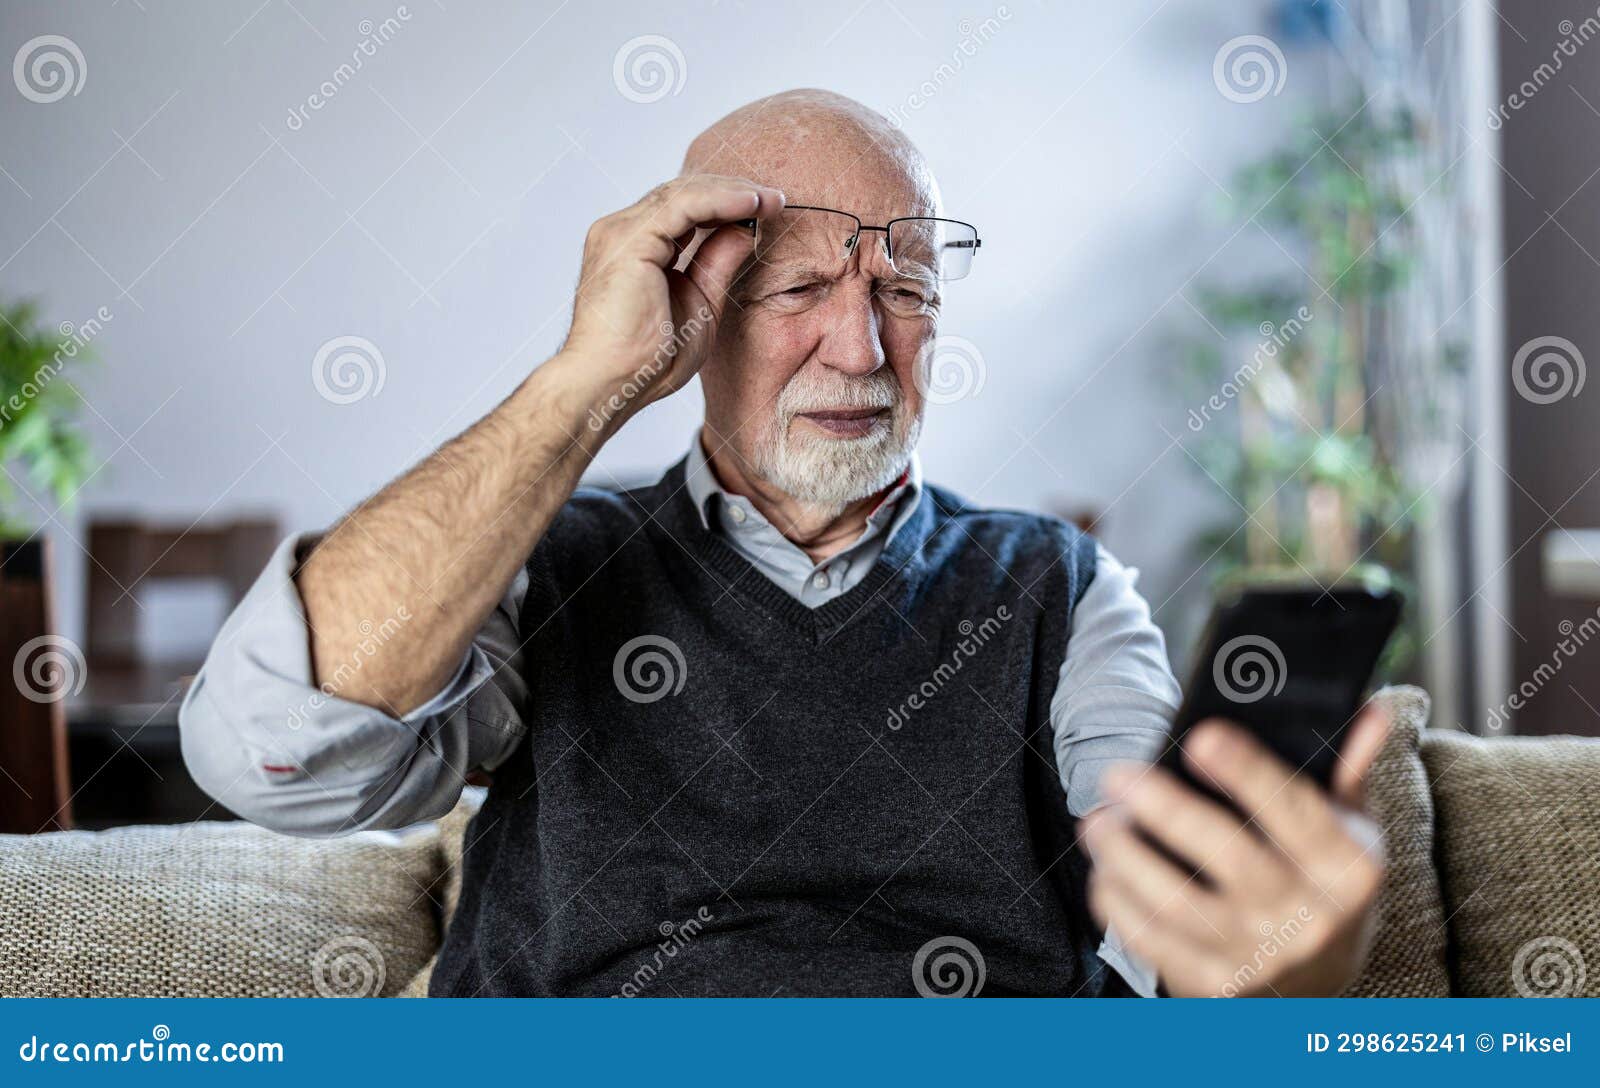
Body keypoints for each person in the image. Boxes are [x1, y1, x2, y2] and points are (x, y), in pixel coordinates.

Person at [179, 88, 1386, 998]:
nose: (862, 349)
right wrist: (584, 386)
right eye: (796, 289)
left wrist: (1277, 945)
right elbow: (273, 749)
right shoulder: (544, 556)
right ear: (689, 319)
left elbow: (1172, 913)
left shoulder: (1055, 587)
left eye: (903, 287)